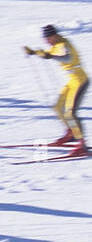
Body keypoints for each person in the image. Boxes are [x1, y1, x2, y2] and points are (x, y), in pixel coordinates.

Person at [23, 24, 87, 155]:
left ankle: (82, 145)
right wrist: (34, 52)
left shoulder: (63, 44)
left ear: (54, 35)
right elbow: (48, 54)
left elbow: (67, 57)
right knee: (58, 107)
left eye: (48, 37)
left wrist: (49, 56)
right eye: (45, 38)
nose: (46, 40)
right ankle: (71, 134)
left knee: (70, 113)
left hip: (80, 80)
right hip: (73, 80)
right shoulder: (56, 45)